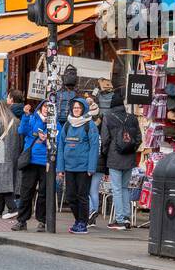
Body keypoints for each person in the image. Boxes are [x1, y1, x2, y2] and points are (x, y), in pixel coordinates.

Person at [57, 97, 100, 234]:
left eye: (79, 108)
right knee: (70, 196)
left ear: (84, 109)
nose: (76, 110)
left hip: (83, 168)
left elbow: (94, 147)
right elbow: (61, 147)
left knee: (82, 196)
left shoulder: (90, 125)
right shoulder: (67, 125)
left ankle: (83, 223)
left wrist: (91, 168)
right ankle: (78, 220)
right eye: (74, 108)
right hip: (69, 167)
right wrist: (60, 168)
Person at [100, 90, 141, 229]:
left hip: (114, 157)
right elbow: (139, 139)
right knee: (125, 188)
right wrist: (131, 149)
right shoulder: (132, 118)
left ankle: (120, 220)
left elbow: (105, 139)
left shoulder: (108, 117)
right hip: (129, 158)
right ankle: (127, 217)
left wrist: (106, 152)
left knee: (116, 189)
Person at [14, 102, 51, 233]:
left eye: (49, 107)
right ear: (41, 108)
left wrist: (49, 138)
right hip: (31, 160)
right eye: (45, 107)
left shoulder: (54, 122)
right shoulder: (33, 119)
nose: (47, 109)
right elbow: (21, 130)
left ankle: (42, 221)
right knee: (26, 192)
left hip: (46, 162)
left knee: (44, 193)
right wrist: (25, 115)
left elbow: (58, 139)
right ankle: (21, 220)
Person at [87, 93, 105, 226]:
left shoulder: (88, 128)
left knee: (87, 190)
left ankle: (90, 212)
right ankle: (93, 215)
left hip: (90, 163)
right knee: (94, 190)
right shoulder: (103, 127)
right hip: (101, 163)